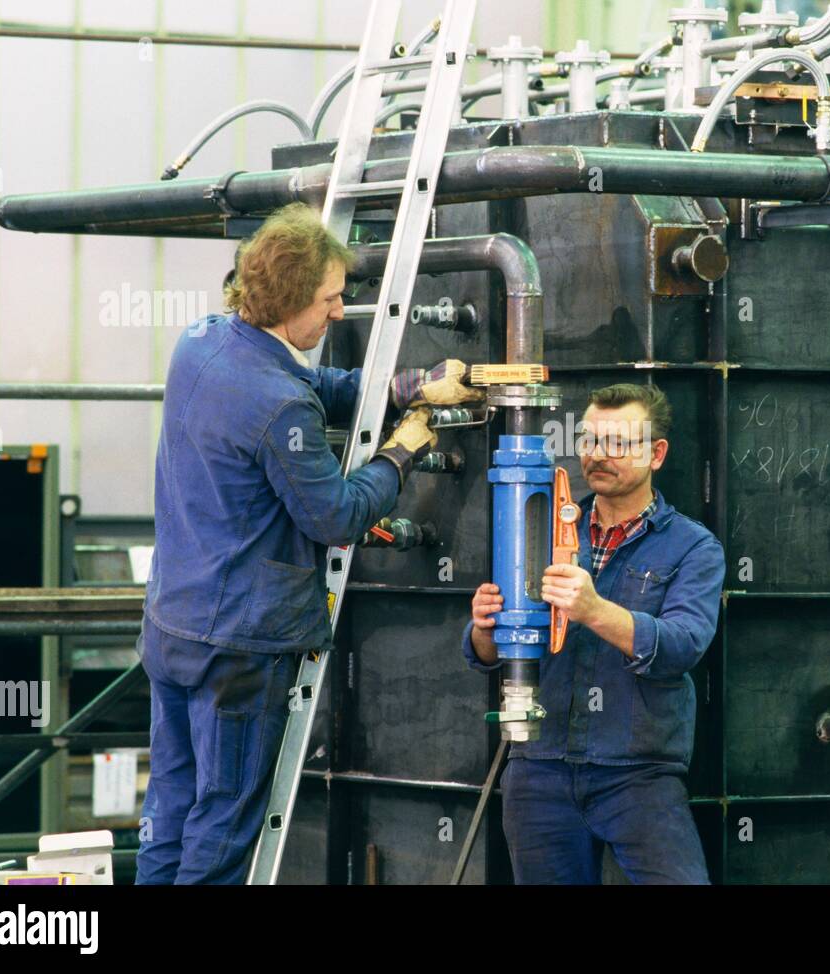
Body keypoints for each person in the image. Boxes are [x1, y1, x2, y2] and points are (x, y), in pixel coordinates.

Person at [136, 202, 482, 884]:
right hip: (239, 643)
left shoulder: (203, 341)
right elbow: (337, 515)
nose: (338, 311)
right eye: (329, 299)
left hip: (173, 624)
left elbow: (304, 383)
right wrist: (402, 452)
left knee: (171, 810)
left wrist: (405, 384)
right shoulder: (276, 403)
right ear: (291, 300)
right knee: (224, 824)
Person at [464, 382, 725, 884]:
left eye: (619, 443)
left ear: (657, 453)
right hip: (540, 767)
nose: (599, 455)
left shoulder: (693, 548)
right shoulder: (542, 523)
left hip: (637, 773)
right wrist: (484, 627)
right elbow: (488, 653)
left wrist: (593, 609)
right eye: (590, 440)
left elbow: (682, 646)